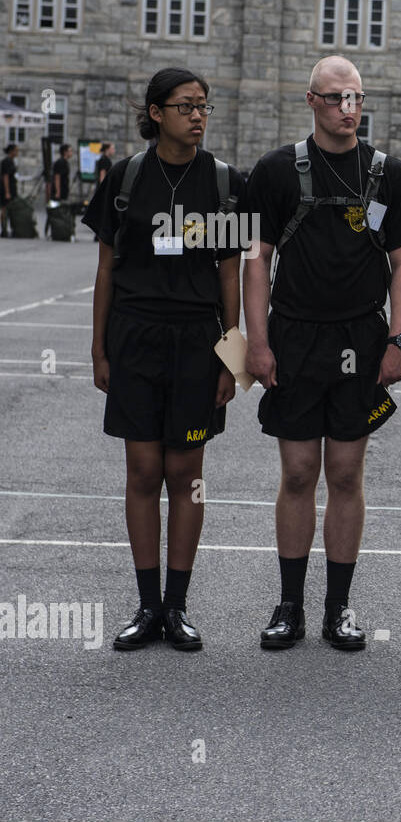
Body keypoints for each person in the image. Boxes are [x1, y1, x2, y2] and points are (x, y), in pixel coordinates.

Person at [242, 55, 401, 651]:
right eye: (337, 97)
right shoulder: (275, 171)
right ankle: (288, 605)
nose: (349, 108)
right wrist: (258, 343)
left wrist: (399, 339)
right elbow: (257, 259)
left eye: (358, 98)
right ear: (312, 101)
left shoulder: (389, 176)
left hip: (359, 339)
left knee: (345, 474)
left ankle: (338, 608)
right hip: (293, 337)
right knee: (297, 472)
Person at [82, 67, 244, 651]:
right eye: (185, 106)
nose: (197, 116)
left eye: (203, 106)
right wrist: (99, 348)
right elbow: (105, 268)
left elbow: (232, 272)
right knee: (143, 472)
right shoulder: (124, 178)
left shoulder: (225, 183)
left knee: (187, 476)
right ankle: (147, 606)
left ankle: (178, 606)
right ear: (156, 113)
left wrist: (233, 359)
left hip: (197, 346)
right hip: (135, 341)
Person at [1, 143, 17, 237]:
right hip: (5, 189)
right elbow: (5, 177)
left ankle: (7, 229)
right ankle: (3, 229)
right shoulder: (6, 161)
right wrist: (7, 192)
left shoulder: (11, 161)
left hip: (11, 188)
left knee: (8, 210)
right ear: (11, 151)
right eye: (15, 150)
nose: (17, 152)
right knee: (4, 209)